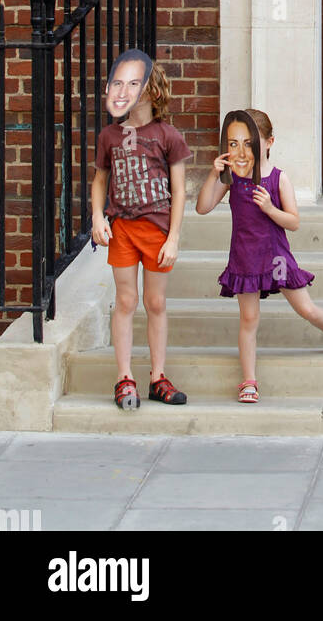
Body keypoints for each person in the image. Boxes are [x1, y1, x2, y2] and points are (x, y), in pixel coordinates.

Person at [195, 107, 323, 403]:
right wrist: (213, 174)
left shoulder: (278, 178)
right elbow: (202, 207)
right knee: (248, 319)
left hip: (276, 258)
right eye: (233, 143)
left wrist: (269, 208)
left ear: (268, 142)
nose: (241, 150)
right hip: (245, 258)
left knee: (305, 308)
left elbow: (294, 222)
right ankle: (249, 380)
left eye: (249, 142)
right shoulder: (231, 179)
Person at [91, 48, 190, 410]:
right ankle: (124, 377)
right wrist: (97, 217)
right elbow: (100, 179)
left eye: (135, 84)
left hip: (157, 229)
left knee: (156, 302)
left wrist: (175, 237)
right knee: (126, 301)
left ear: (151, 91)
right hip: (123, 229)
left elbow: (179, 190)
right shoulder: (109, 136)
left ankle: (157, 377)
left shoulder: (168, 135)